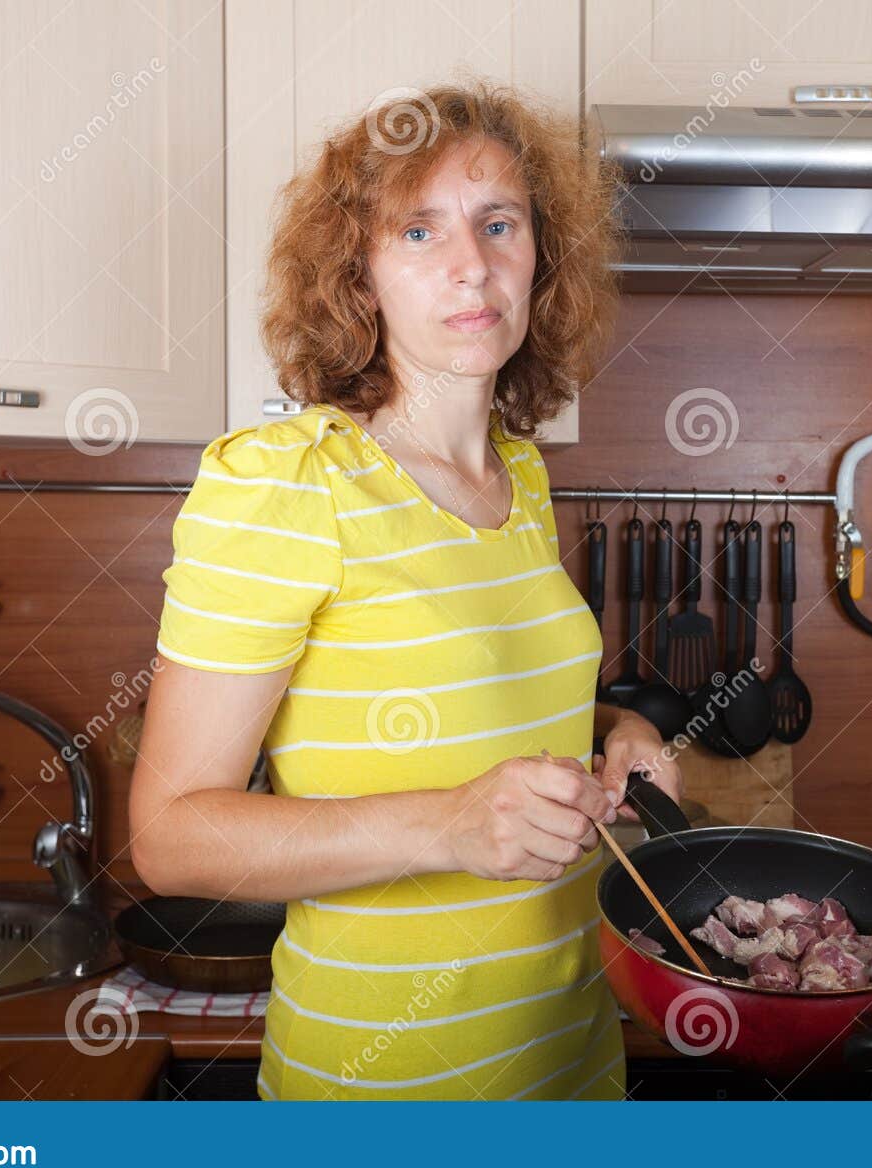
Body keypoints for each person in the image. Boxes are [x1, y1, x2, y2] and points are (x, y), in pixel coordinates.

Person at [128, 80, 684, 1101]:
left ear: (538, 257)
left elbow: (483, 703)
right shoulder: (285, 482)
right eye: (419, 230)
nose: (472, 264)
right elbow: (171, 838)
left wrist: (617, 737)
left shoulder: (519, 481)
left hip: (570, 1072)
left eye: (498, 223)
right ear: (361, 276)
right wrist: (447, 828)